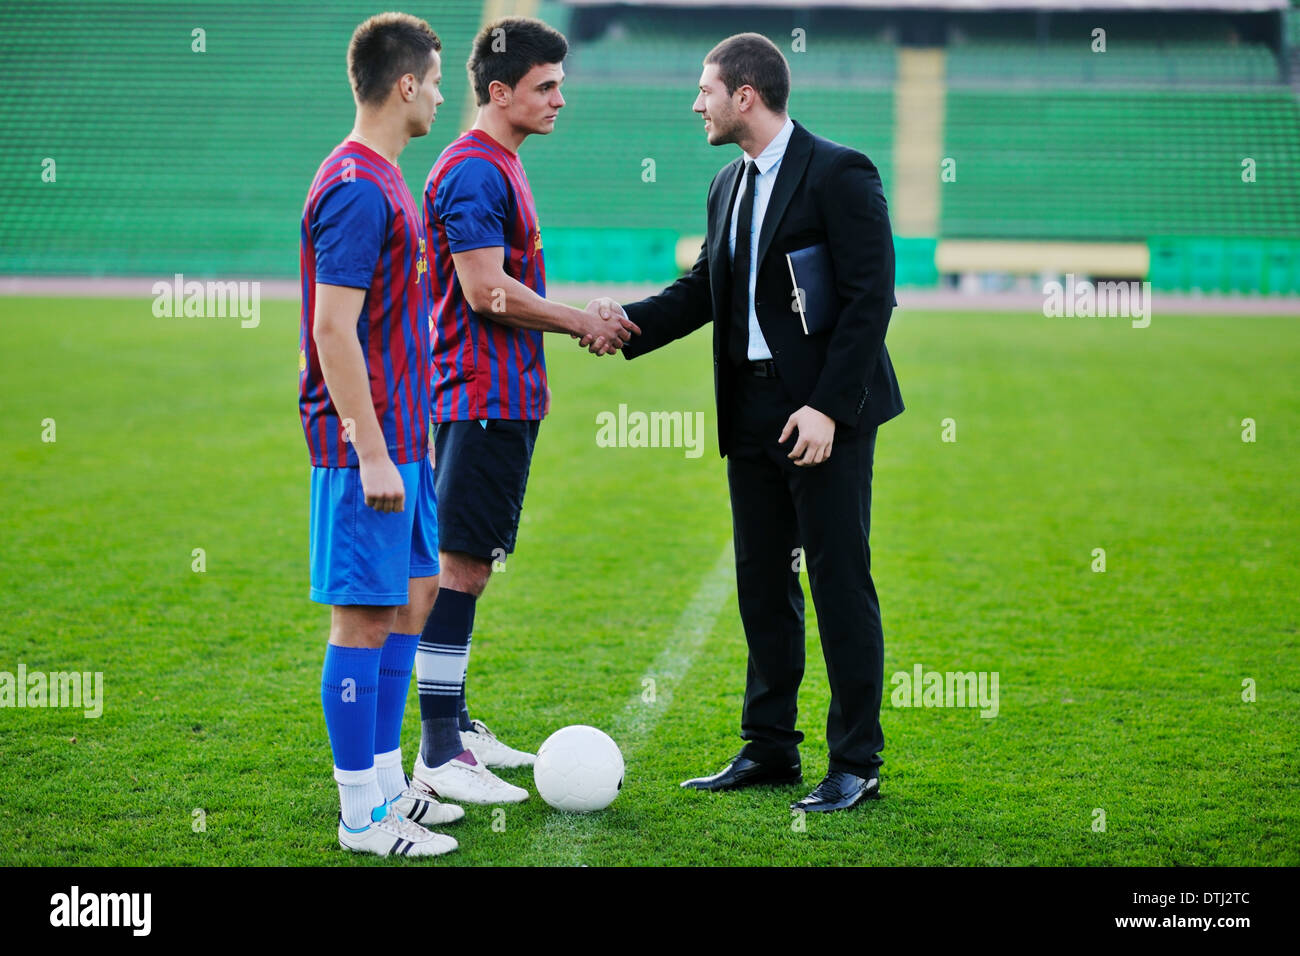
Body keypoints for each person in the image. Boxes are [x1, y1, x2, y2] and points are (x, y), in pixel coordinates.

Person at [587, 32, 904, 812]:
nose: (695, 103)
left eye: (705, 90)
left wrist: (829, 406)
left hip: (824, 410)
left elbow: (871, 299)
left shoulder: (839, 171)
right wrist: (621, 322)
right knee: (763, 581)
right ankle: (770, 751)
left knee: (837, 581)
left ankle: (855, 763)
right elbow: (702, 291)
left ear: (745, 96)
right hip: (752, 408)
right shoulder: (726, 185)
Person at [412, 15, 638, 805]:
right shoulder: (475, 169)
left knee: (470, 563)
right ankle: (439, 750)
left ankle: (457, 725)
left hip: (500, 398)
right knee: (462, 567)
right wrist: (583, 320)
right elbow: (485, 291)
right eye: (546, 87)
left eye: (561, 85)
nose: (559, 100)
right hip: (480, 397)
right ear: (500, 92)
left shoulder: (500, 161)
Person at [299, 12, 462, 856]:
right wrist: (367, 449)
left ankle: (391, 784)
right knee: (363, 619)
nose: (440, 94)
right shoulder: (358, 188)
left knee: (416, 597)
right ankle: (359, 813)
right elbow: (333, 329)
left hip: (407, 436)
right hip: (365, 446)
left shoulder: (390, 177)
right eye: (435, 80)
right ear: (405, 84)